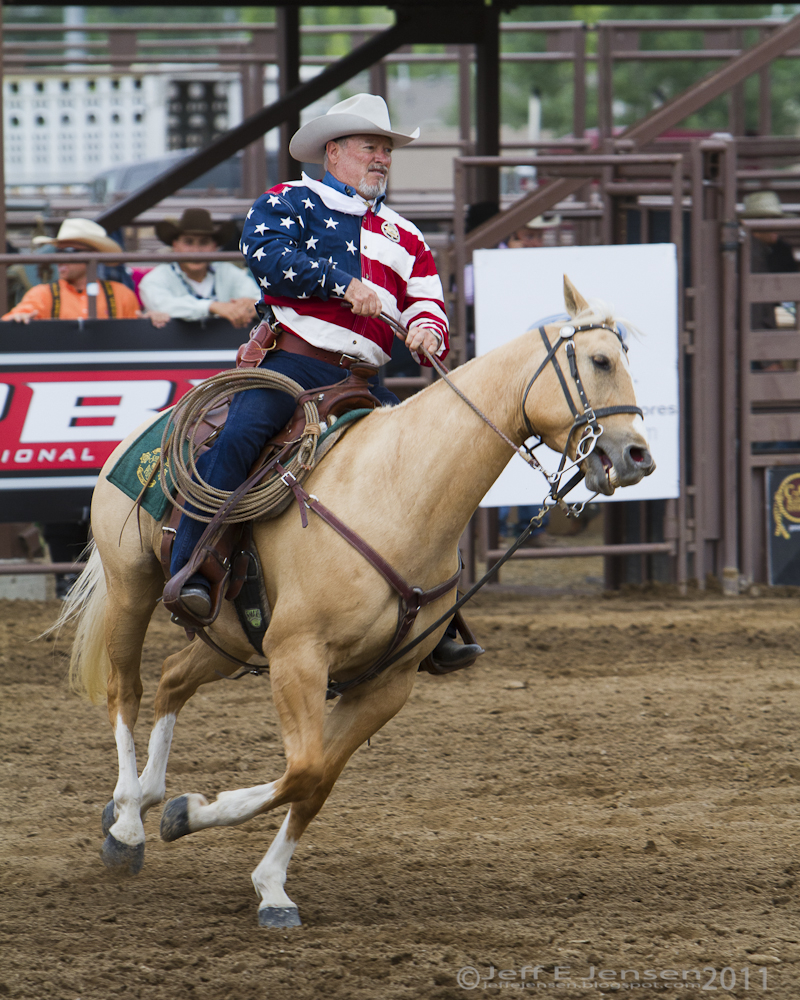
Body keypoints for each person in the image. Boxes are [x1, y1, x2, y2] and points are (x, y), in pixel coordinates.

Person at [171, 92, 480, 668]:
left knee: (427, 468)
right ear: (333, 151)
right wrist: (342, 284)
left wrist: (429, 332)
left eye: (386, 148)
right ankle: (192, 568)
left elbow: (427, 303)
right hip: (294, 362)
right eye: (371, 146)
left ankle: (435, 615)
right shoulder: (290, 200)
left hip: (364, 377)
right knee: (239, 439)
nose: (381, 158)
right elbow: (263, 253)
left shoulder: (406, 234)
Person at [138, 208, 260, 329]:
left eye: (204, 242)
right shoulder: (157, 277)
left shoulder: (228, 272)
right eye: (188, 242)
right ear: (175, 245)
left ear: (214, 246)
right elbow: (161, 304)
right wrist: (212, 306)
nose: (196, 251)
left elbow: (256, 300)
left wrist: (248, 307)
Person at [1, 219, 141, 323]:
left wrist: (154, 320)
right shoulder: (42, 295)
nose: (62, 258)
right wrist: (17, 320)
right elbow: (11, 321)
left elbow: (136, 337)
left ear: (93, 254)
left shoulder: (122, 295)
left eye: (69, 251)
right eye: (58, 251)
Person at [740, 190, 799, 332]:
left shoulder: (781, 249)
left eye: (776, 219)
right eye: (769, 219)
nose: (775, 226)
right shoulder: (747, 252)